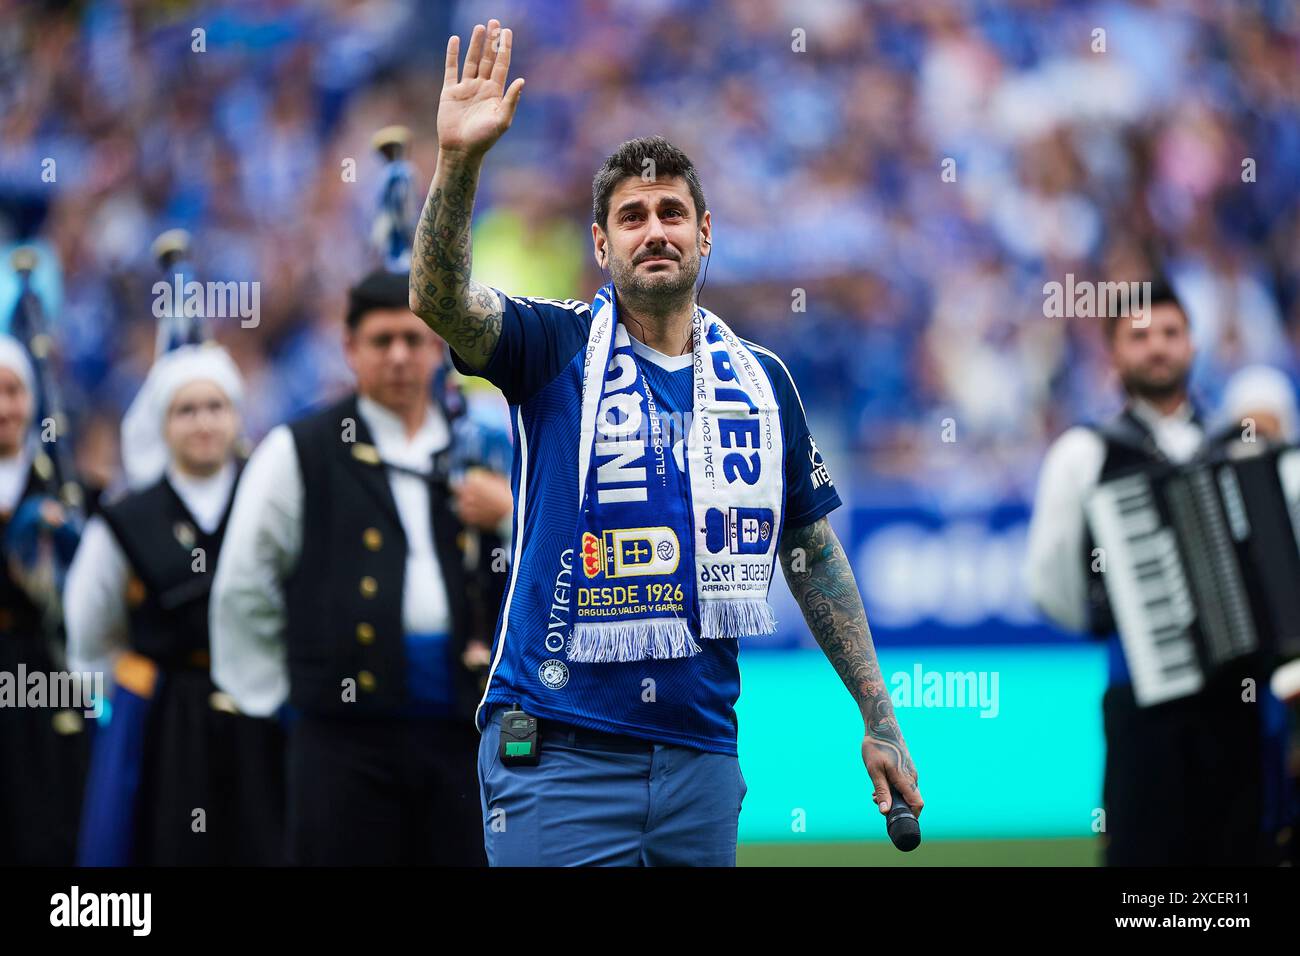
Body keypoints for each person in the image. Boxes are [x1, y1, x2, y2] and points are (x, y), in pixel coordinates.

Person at [408, 19, 922, 866]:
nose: (656, 229)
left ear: (705, 234)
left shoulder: (763, 382)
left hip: (701, 761)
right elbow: (440, 302)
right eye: (632, 215)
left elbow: (813, 553)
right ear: (601, 244)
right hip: (558, 750)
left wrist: (879, 717)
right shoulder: (552, 349)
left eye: (673, 213)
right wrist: (459, 164)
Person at [210, 269, 510, 866]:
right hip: (340, 742)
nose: (398, 356)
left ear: (436, 347)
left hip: (466, 733)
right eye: (380, 341)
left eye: (412, 338)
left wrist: (507, 513)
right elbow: (244, 584)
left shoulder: (488, 445)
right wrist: (281, 697)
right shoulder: (299, 450)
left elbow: (556, 556)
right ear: (349, 349)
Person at [1026, 283, 1289, 865]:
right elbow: (1050, 580)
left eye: (1170, 334)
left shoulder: (1237, 446)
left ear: (1193, 345)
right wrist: (1119, 619)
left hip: (1238, 708)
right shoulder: (1085, 453)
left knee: (1241, 865)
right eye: (1139, 337)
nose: (1157, 349)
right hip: (1139, 709)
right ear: (1114, 353)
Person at [66, 344, 285, 865]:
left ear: (236, 415)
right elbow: (91, 631)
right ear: (161, 423)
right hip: (167, 721)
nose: (203, 422)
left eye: (216, 407)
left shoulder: (270, 502)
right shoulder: (126, 520)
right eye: (186, 410)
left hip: (261, 705)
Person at [0, 332, 87, 865]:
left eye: (13, 392)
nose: (4, 408)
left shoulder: (64, 487)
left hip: (45, 671)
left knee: (48, 813)